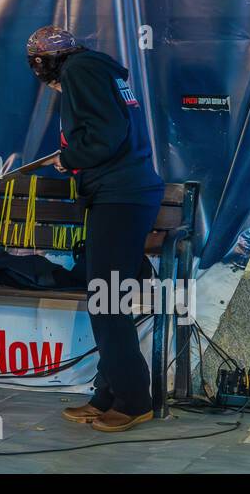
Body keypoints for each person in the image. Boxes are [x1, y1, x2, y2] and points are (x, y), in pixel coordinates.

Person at [26, 26, 165, 432]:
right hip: (124, 191)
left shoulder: (79, 71)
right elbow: (112, 128)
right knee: (105, 296)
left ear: (43, 63)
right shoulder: (101, 70)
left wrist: (70, 159)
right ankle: (108, 395)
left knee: (106, 300)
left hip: (120, 194)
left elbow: (106, 135)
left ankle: (134, 400)